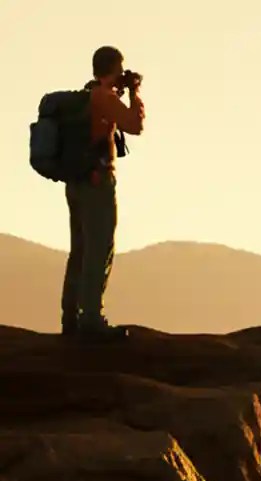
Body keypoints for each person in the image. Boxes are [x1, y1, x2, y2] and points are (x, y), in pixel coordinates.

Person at [61, 45, 145, 341]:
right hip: (98, 183)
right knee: (100, 248)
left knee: (80, 250)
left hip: (77, 182)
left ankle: (70, 317)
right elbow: (135, 125)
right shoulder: (104, 98)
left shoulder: (88, 95)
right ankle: (92, 319)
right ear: (113, 68)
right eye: (121, 69)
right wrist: (135, 93)